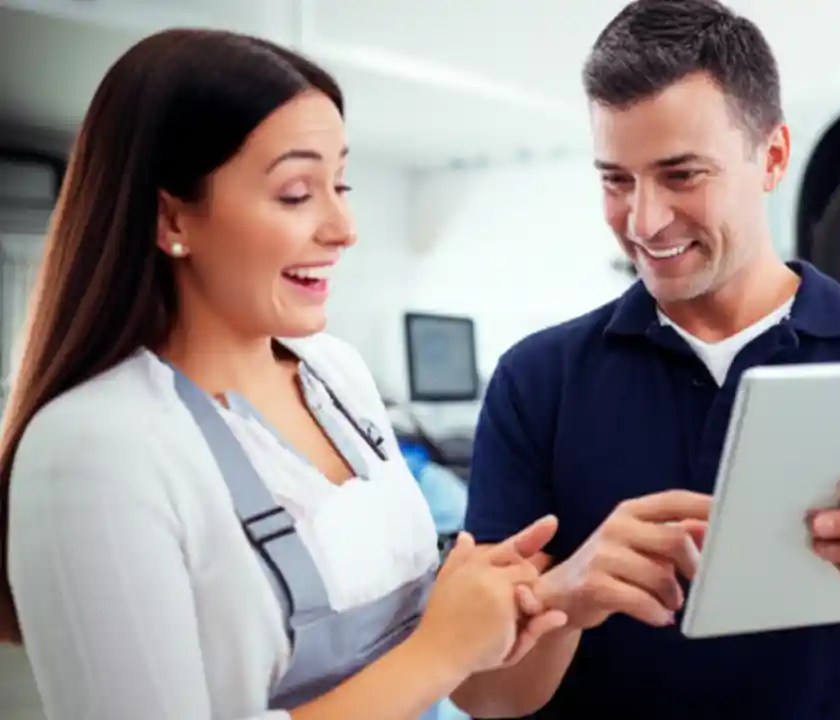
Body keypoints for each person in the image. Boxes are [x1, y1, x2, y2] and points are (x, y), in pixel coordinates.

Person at [452, 1, 840, 718]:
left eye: (682, 175)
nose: (644, 221)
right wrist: (569, 597)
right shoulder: (538, 381)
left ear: (773, 157)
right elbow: (483, 697)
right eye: (616, 180)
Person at [0, 29, 566, 720]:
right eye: (297, 193)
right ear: (172, 217)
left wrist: (561, 596)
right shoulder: (94, 449)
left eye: (340, 185)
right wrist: (439, 649)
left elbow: (466, 686)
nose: (344, 227)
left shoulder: (336, 374)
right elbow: (429, 661)